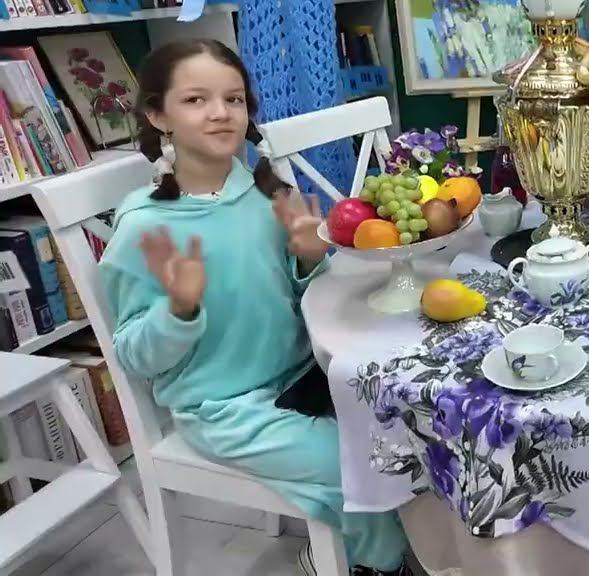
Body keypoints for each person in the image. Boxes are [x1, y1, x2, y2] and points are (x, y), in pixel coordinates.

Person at [99, 39, 411, 576]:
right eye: (195, 100)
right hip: (225, 409)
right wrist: (178, 309)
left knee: (406, 425)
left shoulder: (266, 196)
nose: (220, 112)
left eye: (234, 99)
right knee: (364, 460)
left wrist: (308, 260)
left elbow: (298, 301)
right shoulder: (145, 227)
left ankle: (384, 551)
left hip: (306, 376)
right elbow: (132, 355)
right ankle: (381, 563)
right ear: (158, 116)